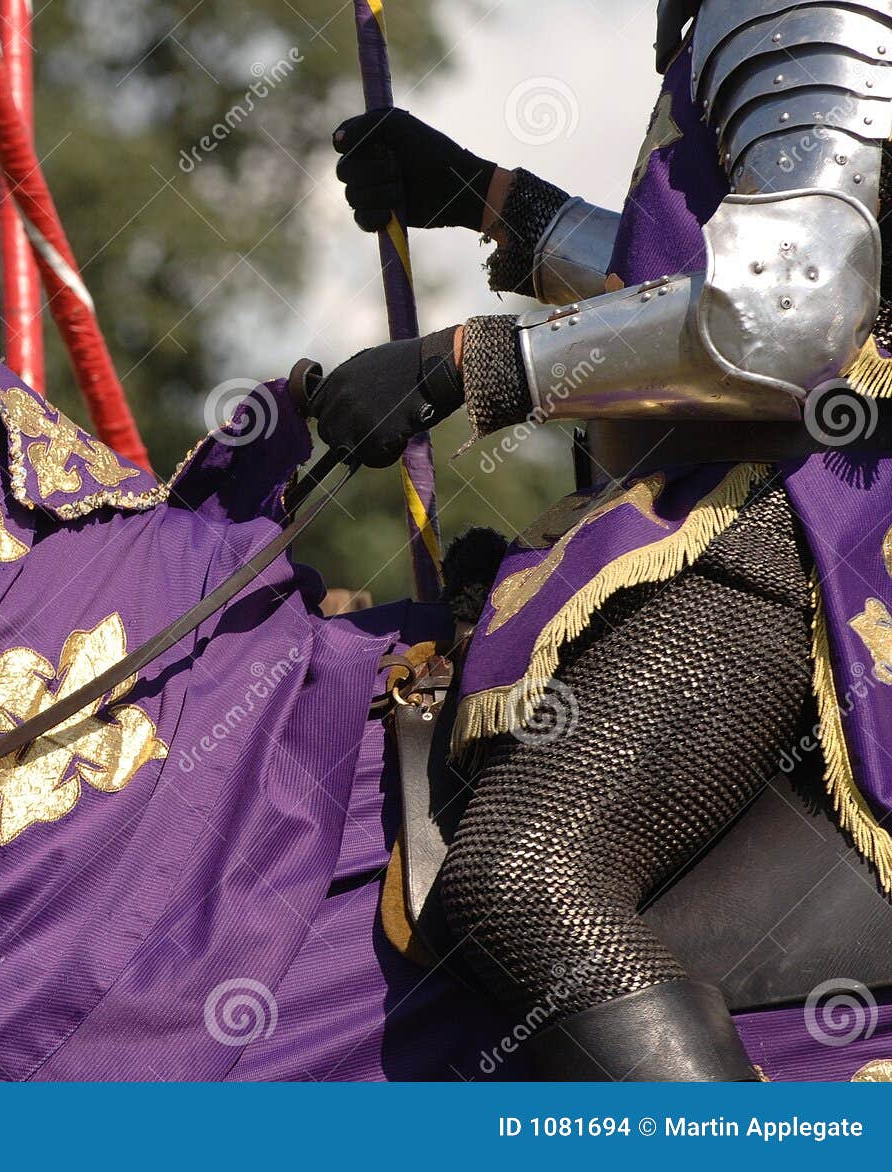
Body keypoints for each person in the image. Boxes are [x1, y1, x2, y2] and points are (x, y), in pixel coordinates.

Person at [314, 0, 892, 1079]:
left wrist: (470, 362)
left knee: (521, 875)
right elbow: (704, 272)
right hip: (739, 499)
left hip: (801, 523)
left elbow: (785, 318)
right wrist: (498, 205)